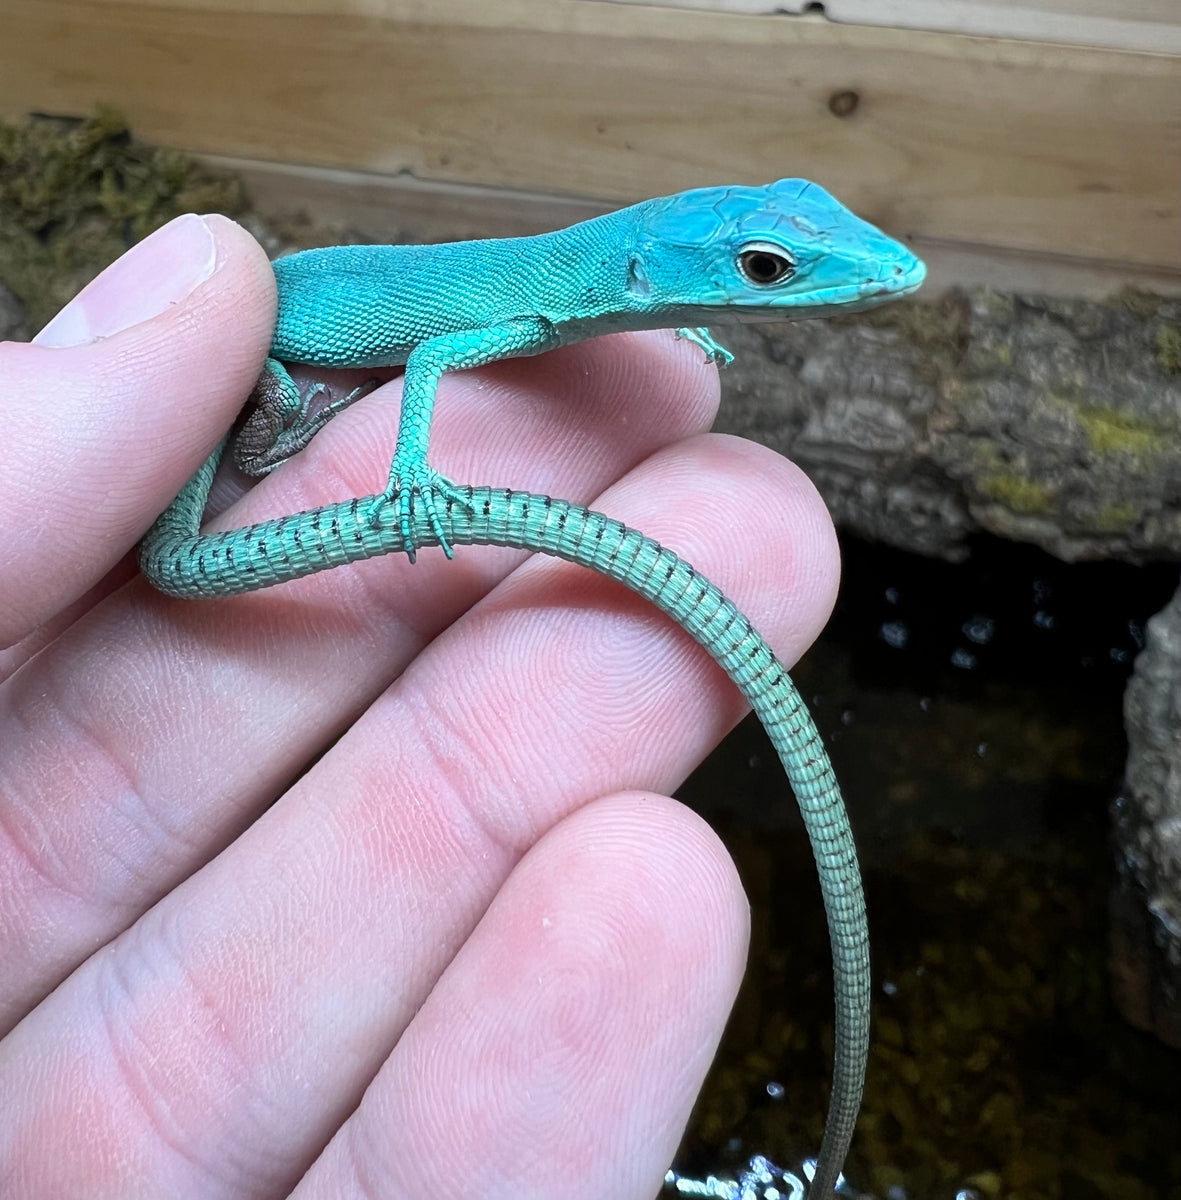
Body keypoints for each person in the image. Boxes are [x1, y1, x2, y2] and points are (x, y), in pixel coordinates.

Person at [0, 213, 840, 1197]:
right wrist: (410, 473)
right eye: (763, 271)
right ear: (642, 276)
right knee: (184, 557)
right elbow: (438, 345)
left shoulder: (609, 288)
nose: (769, 284)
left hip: (301, 339)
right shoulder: (541, 307)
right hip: (264, 354)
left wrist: (686, 312)